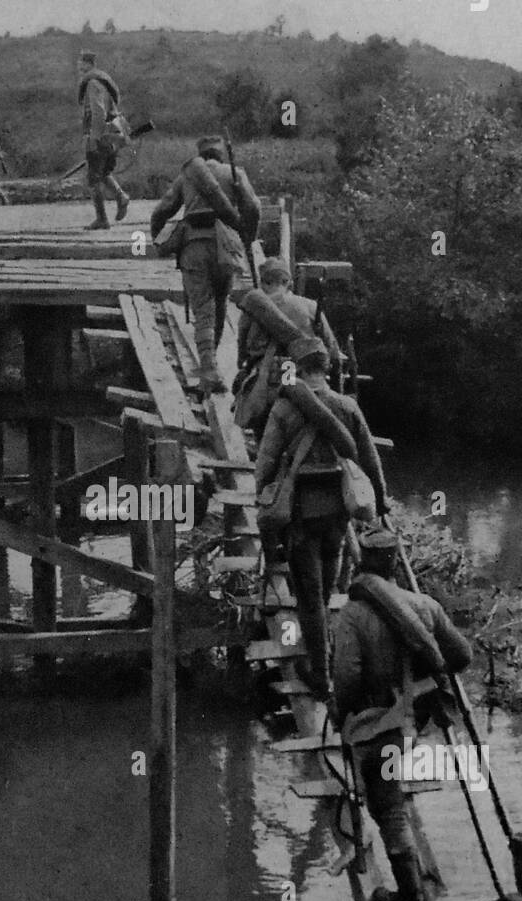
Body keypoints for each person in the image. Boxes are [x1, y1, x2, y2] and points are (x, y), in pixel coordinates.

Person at [331, 527, 472, 901]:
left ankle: (409, 899)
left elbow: (346, 679)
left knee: (387, 808)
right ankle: (413, 891)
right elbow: (461, 655)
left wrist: (341, 715)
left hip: (371, 728)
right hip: (407, 727)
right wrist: (418, 687)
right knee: (391, 802)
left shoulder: (353, 615)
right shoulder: (423, 606)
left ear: (363, 563)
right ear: (395, 562)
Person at [255, 347, 390, 700]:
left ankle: (321, 675)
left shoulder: (285, 407)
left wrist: (264, 499)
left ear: (298, 368)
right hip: (338, 517)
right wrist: (382, 499)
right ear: (327, 370)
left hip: (300, 518)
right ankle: (330, 661)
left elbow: (266, 463)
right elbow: (370, 461)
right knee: (328, 589)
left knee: (309, 597)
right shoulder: (347, 406)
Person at [150, 135, 261, 394]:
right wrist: (249, 236)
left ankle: (209, 370)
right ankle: (212, 366)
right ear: (220, 155)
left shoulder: (188, 175)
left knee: (203, 308)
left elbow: (162, 210)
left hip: (194, 246)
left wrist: (157, 239)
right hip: (227, 246)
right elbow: (253, 207)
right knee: (220, 303)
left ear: (201, 154)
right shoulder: (235, 172)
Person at [234, 257, 344, 435]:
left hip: (268, 375)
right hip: (303, 375)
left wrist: (243, 366)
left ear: (263, 282)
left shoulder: (253, 306)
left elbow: (242, 349)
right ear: (289, 283)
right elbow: (332, 350)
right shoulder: (311, 306)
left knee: (245, 396)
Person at [78, 50, 129, 229]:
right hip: (111, 135)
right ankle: (121, 196)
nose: (78, 65)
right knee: (104, 172)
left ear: (87, 64)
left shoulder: (92, 83)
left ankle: (102, 219)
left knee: (93, 178)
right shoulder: (104, 82)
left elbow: (98, 112)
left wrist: (94, 138)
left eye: (81, 62)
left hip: (100, 136)